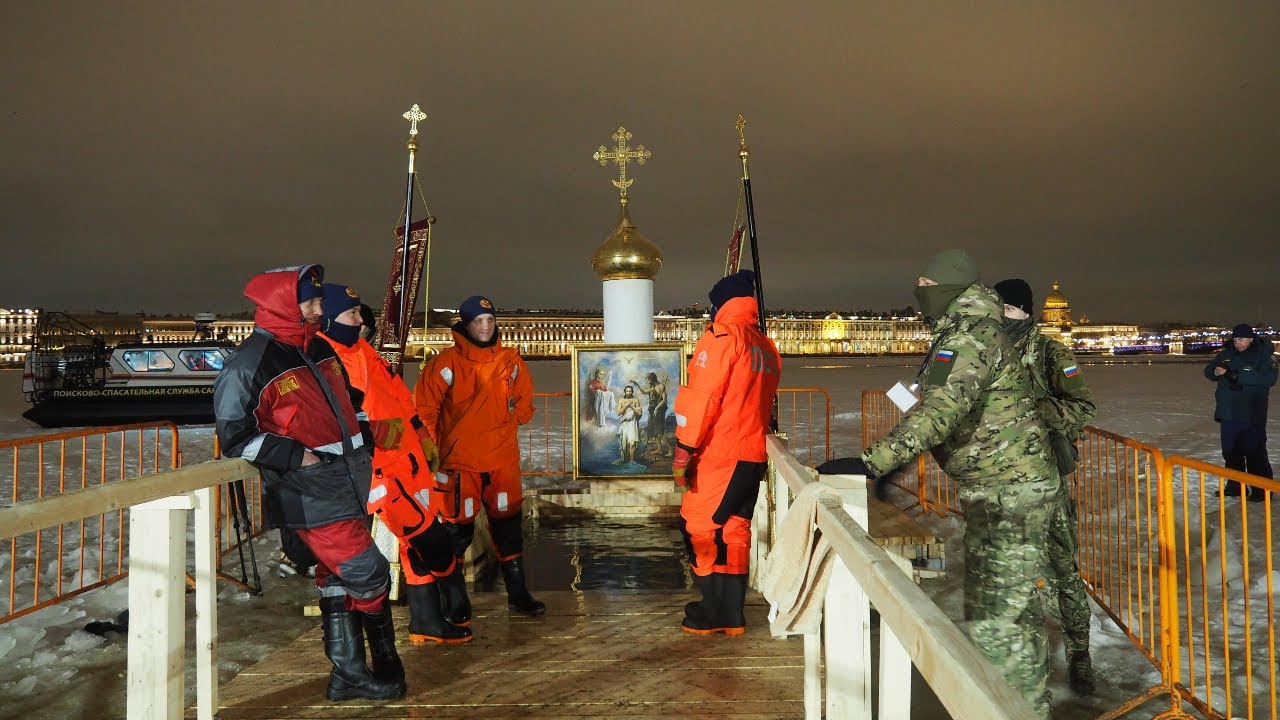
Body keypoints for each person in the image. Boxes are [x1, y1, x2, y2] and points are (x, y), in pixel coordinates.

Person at [818, 250, 1060, 717]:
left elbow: (941, 410)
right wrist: (893, 466)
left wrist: (873, 462)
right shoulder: (968, 330)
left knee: (998, 618)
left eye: (926, 282)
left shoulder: (970, 335)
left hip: (1008, 487)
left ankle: (1012, 709)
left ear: (949, 287)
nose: (919, 289)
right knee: (1011, 612)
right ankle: (1021, 705)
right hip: (1002, 483)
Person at [213, 265, 405, 701]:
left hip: (348, 479)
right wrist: (298, 455)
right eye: (312, 303)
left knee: (337, 574)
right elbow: (234, 435)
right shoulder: (249, 364)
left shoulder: (317, 347)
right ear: (283, 304)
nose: (321, 311)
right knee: (369, 572)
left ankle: (349, 674)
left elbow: (345, 404)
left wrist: (366, 433)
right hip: (309, 489)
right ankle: (382, 661)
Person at [314, 283, 471, 644]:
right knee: (427, 536)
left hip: (409, 461)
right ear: (330, 319)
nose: (360, 320)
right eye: (351, 314)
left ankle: (427, 622)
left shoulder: (363, 350)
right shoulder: (329, 360)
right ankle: (453, 592)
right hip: (380, 468)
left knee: (414, 543)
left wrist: (422, 434)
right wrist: (380, 433)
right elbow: (342, 421)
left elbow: (399, 395)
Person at [995, 278, 1098, 695]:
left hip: (1045, 480)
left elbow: (1083, 407)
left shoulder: (1053, 353)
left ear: (1021, 310)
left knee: (1062, 570)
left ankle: (1079, 653)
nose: (996, 317)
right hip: (997, 479)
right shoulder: (984, 354)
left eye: (1003, 310)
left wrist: (1031, 409)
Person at [413, 295, 544, 622]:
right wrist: (436, 445)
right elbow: (424, 409)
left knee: (509, 530)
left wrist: (512, 415)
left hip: (501, 461)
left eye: (489, 320)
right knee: (457, 534)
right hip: (460, 464)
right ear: (466, 325)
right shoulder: (445, 364)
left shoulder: (511, 361)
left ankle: (518, 595)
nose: (485, 327)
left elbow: (524, 403)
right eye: (478, 321)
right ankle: (455, 601)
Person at [672, 269, 781, 636]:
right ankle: (732, 613)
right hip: (752, 453)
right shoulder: (764, 344)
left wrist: (683, 450)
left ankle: (712, 610)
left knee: (699, 526)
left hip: (721, 452)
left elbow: (701, 399)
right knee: (735, 528)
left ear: (719, 305)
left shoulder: (720, 339)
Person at [1204, 323, 1277, 500]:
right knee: (1230, 453)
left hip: (1251, 412)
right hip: (1228, 413)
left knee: (1255, 452)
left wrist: (1238, 377)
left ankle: (1262, 490)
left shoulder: (1264, 355)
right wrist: (1215, 371)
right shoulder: (1226, 353)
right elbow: (1208, 371)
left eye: (1241, 339)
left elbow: (1269, 378)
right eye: (1235, 339)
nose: (1238, 343)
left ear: (1251, 338)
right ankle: (1235, 487)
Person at [633, 372, 670, 458]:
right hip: (652, 410)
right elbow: (643, 391)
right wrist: (637, 384)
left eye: (648, 379)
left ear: (653, 378)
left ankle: (670, 449)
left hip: (659, 410)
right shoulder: (652, 388)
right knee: (655, 431)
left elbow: (664, 400)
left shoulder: (661, 386)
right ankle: (659, 448)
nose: (648, 381)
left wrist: (656, 408)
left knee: (660, 432)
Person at [615, 385, 643, 464]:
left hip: (632, 423)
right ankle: (625, 459)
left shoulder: (635, 400)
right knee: (624, 445)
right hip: (624, 424)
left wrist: (631, 406)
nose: (628, 393)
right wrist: (626, 405)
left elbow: (639, 413)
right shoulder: (621, 400)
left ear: (632, 392)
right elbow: (618, 413)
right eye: (627, 391)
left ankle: (632, 461)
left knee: (632, 443)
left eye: (630, 391)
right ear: (625, 391)